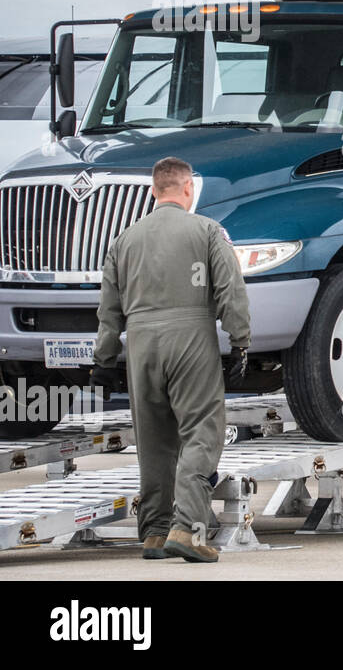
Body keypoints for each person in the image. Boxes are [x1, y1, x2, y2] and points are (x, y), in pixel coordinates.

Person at [91, 157, 251, 562]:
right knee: (201, 432)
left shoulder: (124, 240)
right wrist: (240, 341)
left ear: (152, 191)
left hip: (141, 344)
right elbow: (231, 290)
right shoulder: (208, 231)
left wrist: (105, 359)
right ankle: (190, 530)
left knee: (155, 442)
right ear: (187, 190)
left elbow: (109, 307)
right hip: (191, 338)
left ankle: (155, 534)